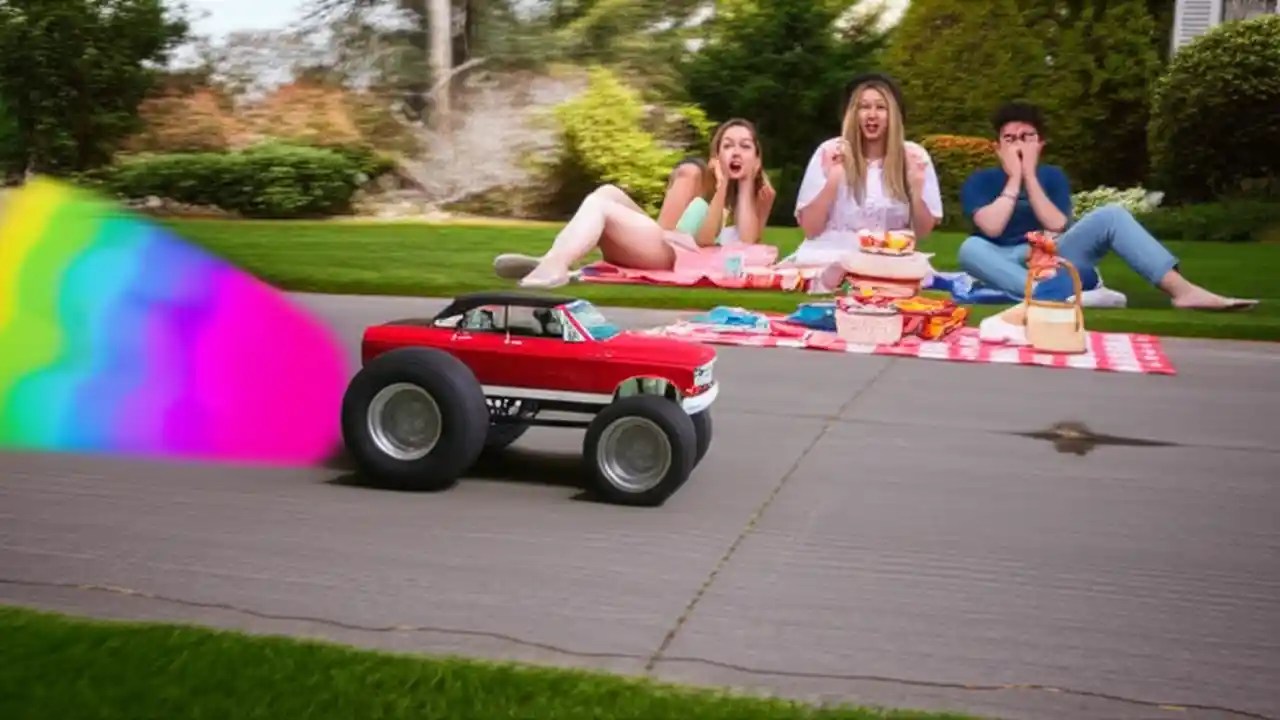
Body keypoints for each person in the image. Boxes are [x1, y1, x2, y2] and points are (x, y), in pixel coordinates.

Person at [959, 101, 1256, 310]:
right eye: (1009, 140)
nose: (1018, 146)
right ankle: (1052, 297)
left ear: (1040, 144)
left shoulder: (1052, 176)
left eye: (1027, 138)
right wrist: (1014, 179)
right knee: (969, 248)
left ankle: (1184, 291)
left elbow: (1056, 225)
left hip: (1050, 257)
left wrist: (1030, 176)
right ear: (997, 147)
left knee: (1112, 215)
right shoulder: (981, 180)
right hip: (1000, 259)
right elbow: (991, 226)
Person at [492, 118, 776, 289]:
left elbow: (742, 241)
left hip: (675, 255)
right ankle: (553, 261)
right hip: (668, 248)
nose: (735, 152)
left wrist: (744, 183)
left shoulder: (759, 196)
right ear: (716, 153)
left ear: (757, 157)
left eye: (744, 146)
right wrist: (721, 184)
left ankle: (556, 262)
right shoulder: (701, 178)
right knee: (605, 194)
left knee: (600, 206)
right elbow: (681, 233)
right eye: (727, 145)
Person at [790, 72, 944, 268]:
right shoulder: (829, 151)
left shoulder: (914, 156)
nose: (872, 115)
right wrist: (834, 179)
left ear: (893, 115)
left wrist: (916, 188)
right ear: (853, 114)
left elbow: (922, 233)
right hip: (831, 253)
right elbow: (811, 230)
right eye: (864, 107)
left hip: (890, 257)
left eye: (881, 107)